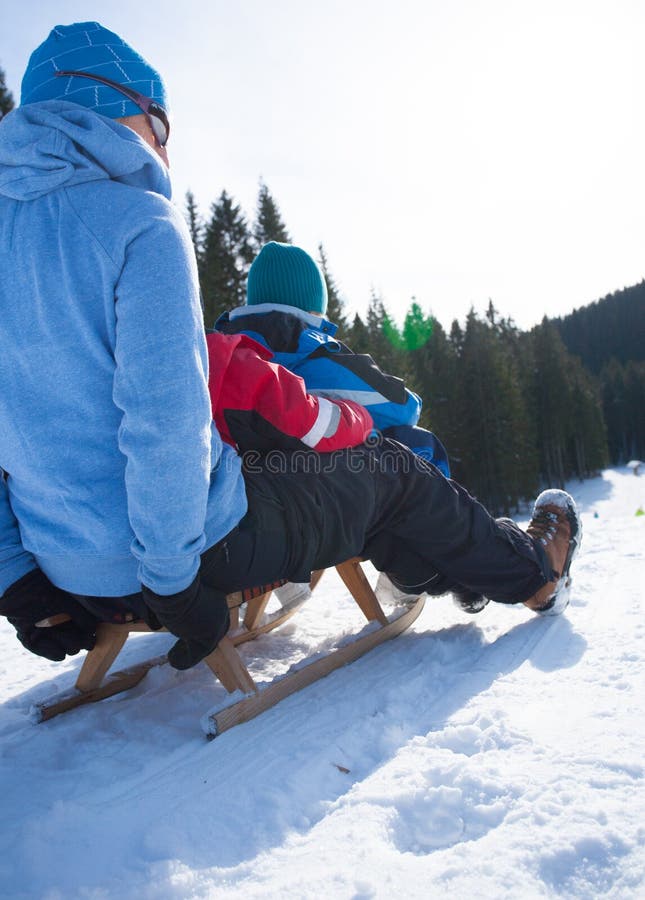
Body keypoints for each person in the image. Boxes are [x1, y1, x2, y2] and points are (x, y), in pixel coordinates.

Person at [0, 22, 581, 676]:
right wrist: (171, 579)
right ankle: (533, 572)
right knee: (390, 469)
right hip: (182, 561)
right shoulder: (135, 223)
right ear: (106, 103)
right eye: (158, 124)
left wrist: (16, 580)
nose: (164, 149)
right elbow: (162, 421)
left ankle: (445, 567)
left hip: (65, 576)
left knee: (330, 479)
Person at [214, 242, 489, 612]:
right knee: (414, 445)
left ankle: (278, 586)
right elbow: (401, 407)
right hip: (320, 506)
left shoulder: (223, 349)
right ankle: (417, 568)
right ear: (312, 305)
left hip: (238, 509)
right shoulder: (306, 345)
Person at [215, 241, 451, 478]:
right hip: (319, 491)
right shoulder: (311, 351)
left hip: (243, 483)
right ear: (312, 306)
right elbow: (403, 408)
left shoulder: (226, 353)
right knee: (419, 442)